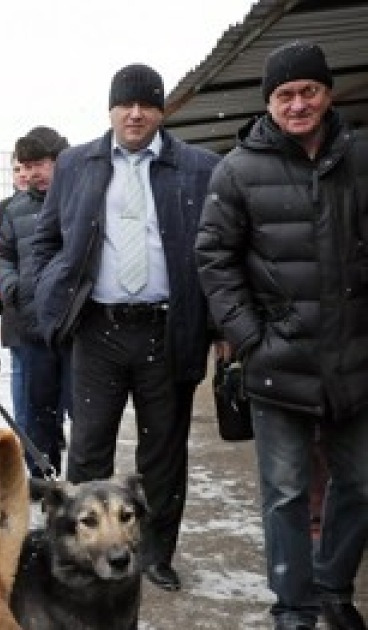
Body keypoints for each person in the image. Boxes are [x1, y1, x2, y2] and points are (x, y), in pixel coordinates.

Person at [196, 41, 368, 630]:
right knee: (287, 493)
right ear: (268, 102)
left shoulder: (361, 158)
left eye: (308, 91)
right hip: (278, 360)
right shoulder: (237, 170)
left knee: (361, 483)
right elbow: (214, 259)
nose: (298, 105)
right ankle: (294, 608)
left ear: (328, 94)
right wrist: (250, 338)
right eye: (285, 95)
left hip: (355, 360)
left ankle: (333, 587)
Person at [30, 64, 219, 592]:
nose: (135, 114)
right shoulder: (76, 164)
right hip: (99, 330)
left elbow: (220, 246)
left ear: (163, 110)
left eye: (146, 105)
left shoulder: (200, 167)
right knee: (89, 448)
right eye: (125, 105)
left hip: (168, 329)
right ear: (110, 109)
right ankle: (78, 552)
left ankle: (154, 554)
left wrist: (215, 323)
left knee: (163, 454)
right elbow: (45, 240)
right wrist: (48, 295)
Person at [0, 125, 72, 477]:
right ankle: (42, 484)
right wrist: (10, 285)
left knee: (84, 416)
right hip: (31, 329)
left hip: (76, 330)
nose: (30, 173)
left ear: (59, 161)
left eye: (38, 164)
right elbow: (2, 255)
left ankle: (83, 485)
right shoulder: (15, 209)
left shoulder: (81, 199)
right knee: (36, 417)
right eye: (25, 166)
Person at [0, 158, 31, 440]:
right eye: (17, 169)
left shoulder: (62, 203)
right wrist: (9, 287)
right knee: (22, 373)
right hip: (17, 308)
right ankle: (24, 431)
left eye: (29, 167)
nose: (24, 175)